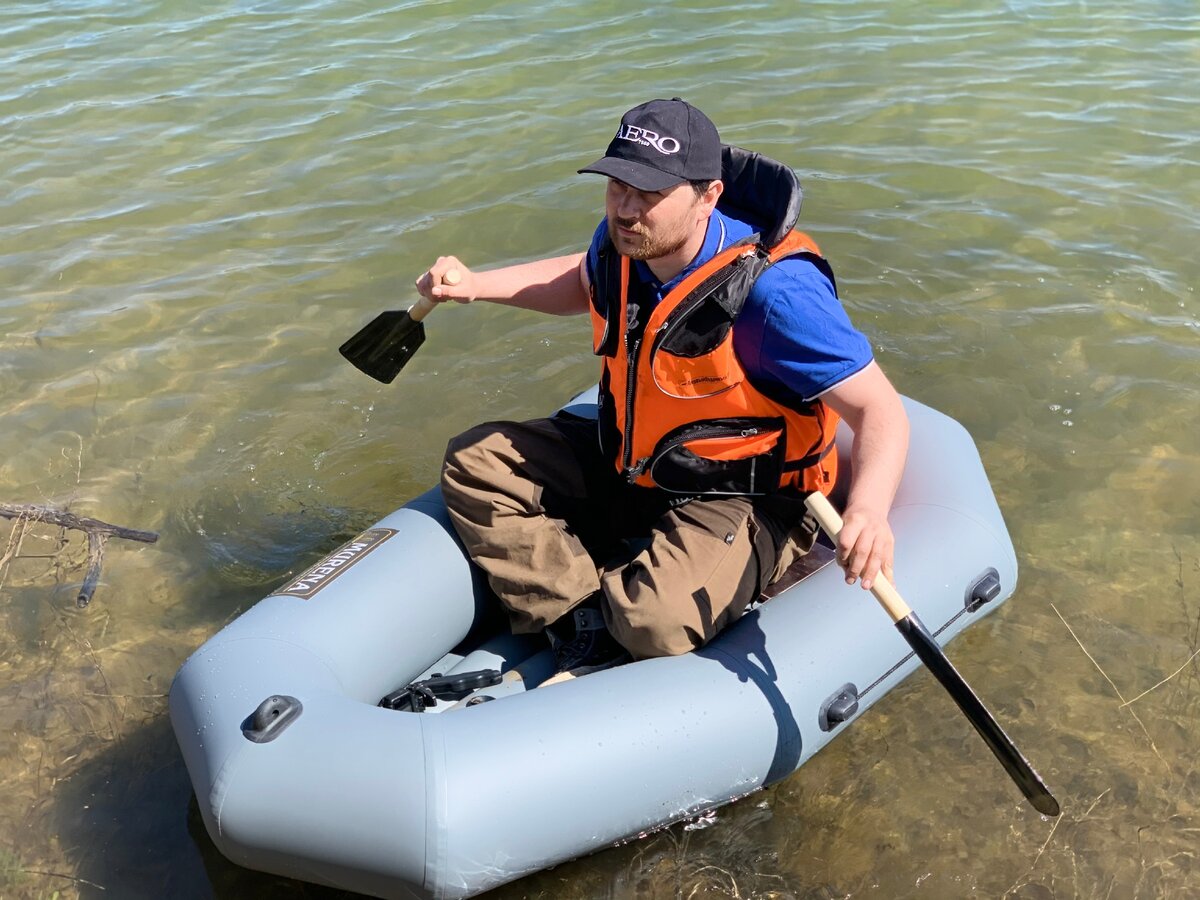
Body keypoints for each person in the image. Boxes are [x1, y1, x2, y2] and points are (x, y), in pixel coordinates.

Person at [416, 98, 909, 680]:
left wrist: (870, 510)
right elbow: (578, 279)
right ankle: (581, 619)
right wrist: (476, 285)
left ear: (708, 196)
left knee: (654, 621)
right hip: (632, 459)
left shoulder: (777, 296)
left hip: (743, 493)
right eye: (617, 186)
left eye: (647, 194)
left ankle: (723, 582)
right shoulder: (625, 244)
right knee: (477, 460)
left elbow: (880, 411)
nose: (625, 209)